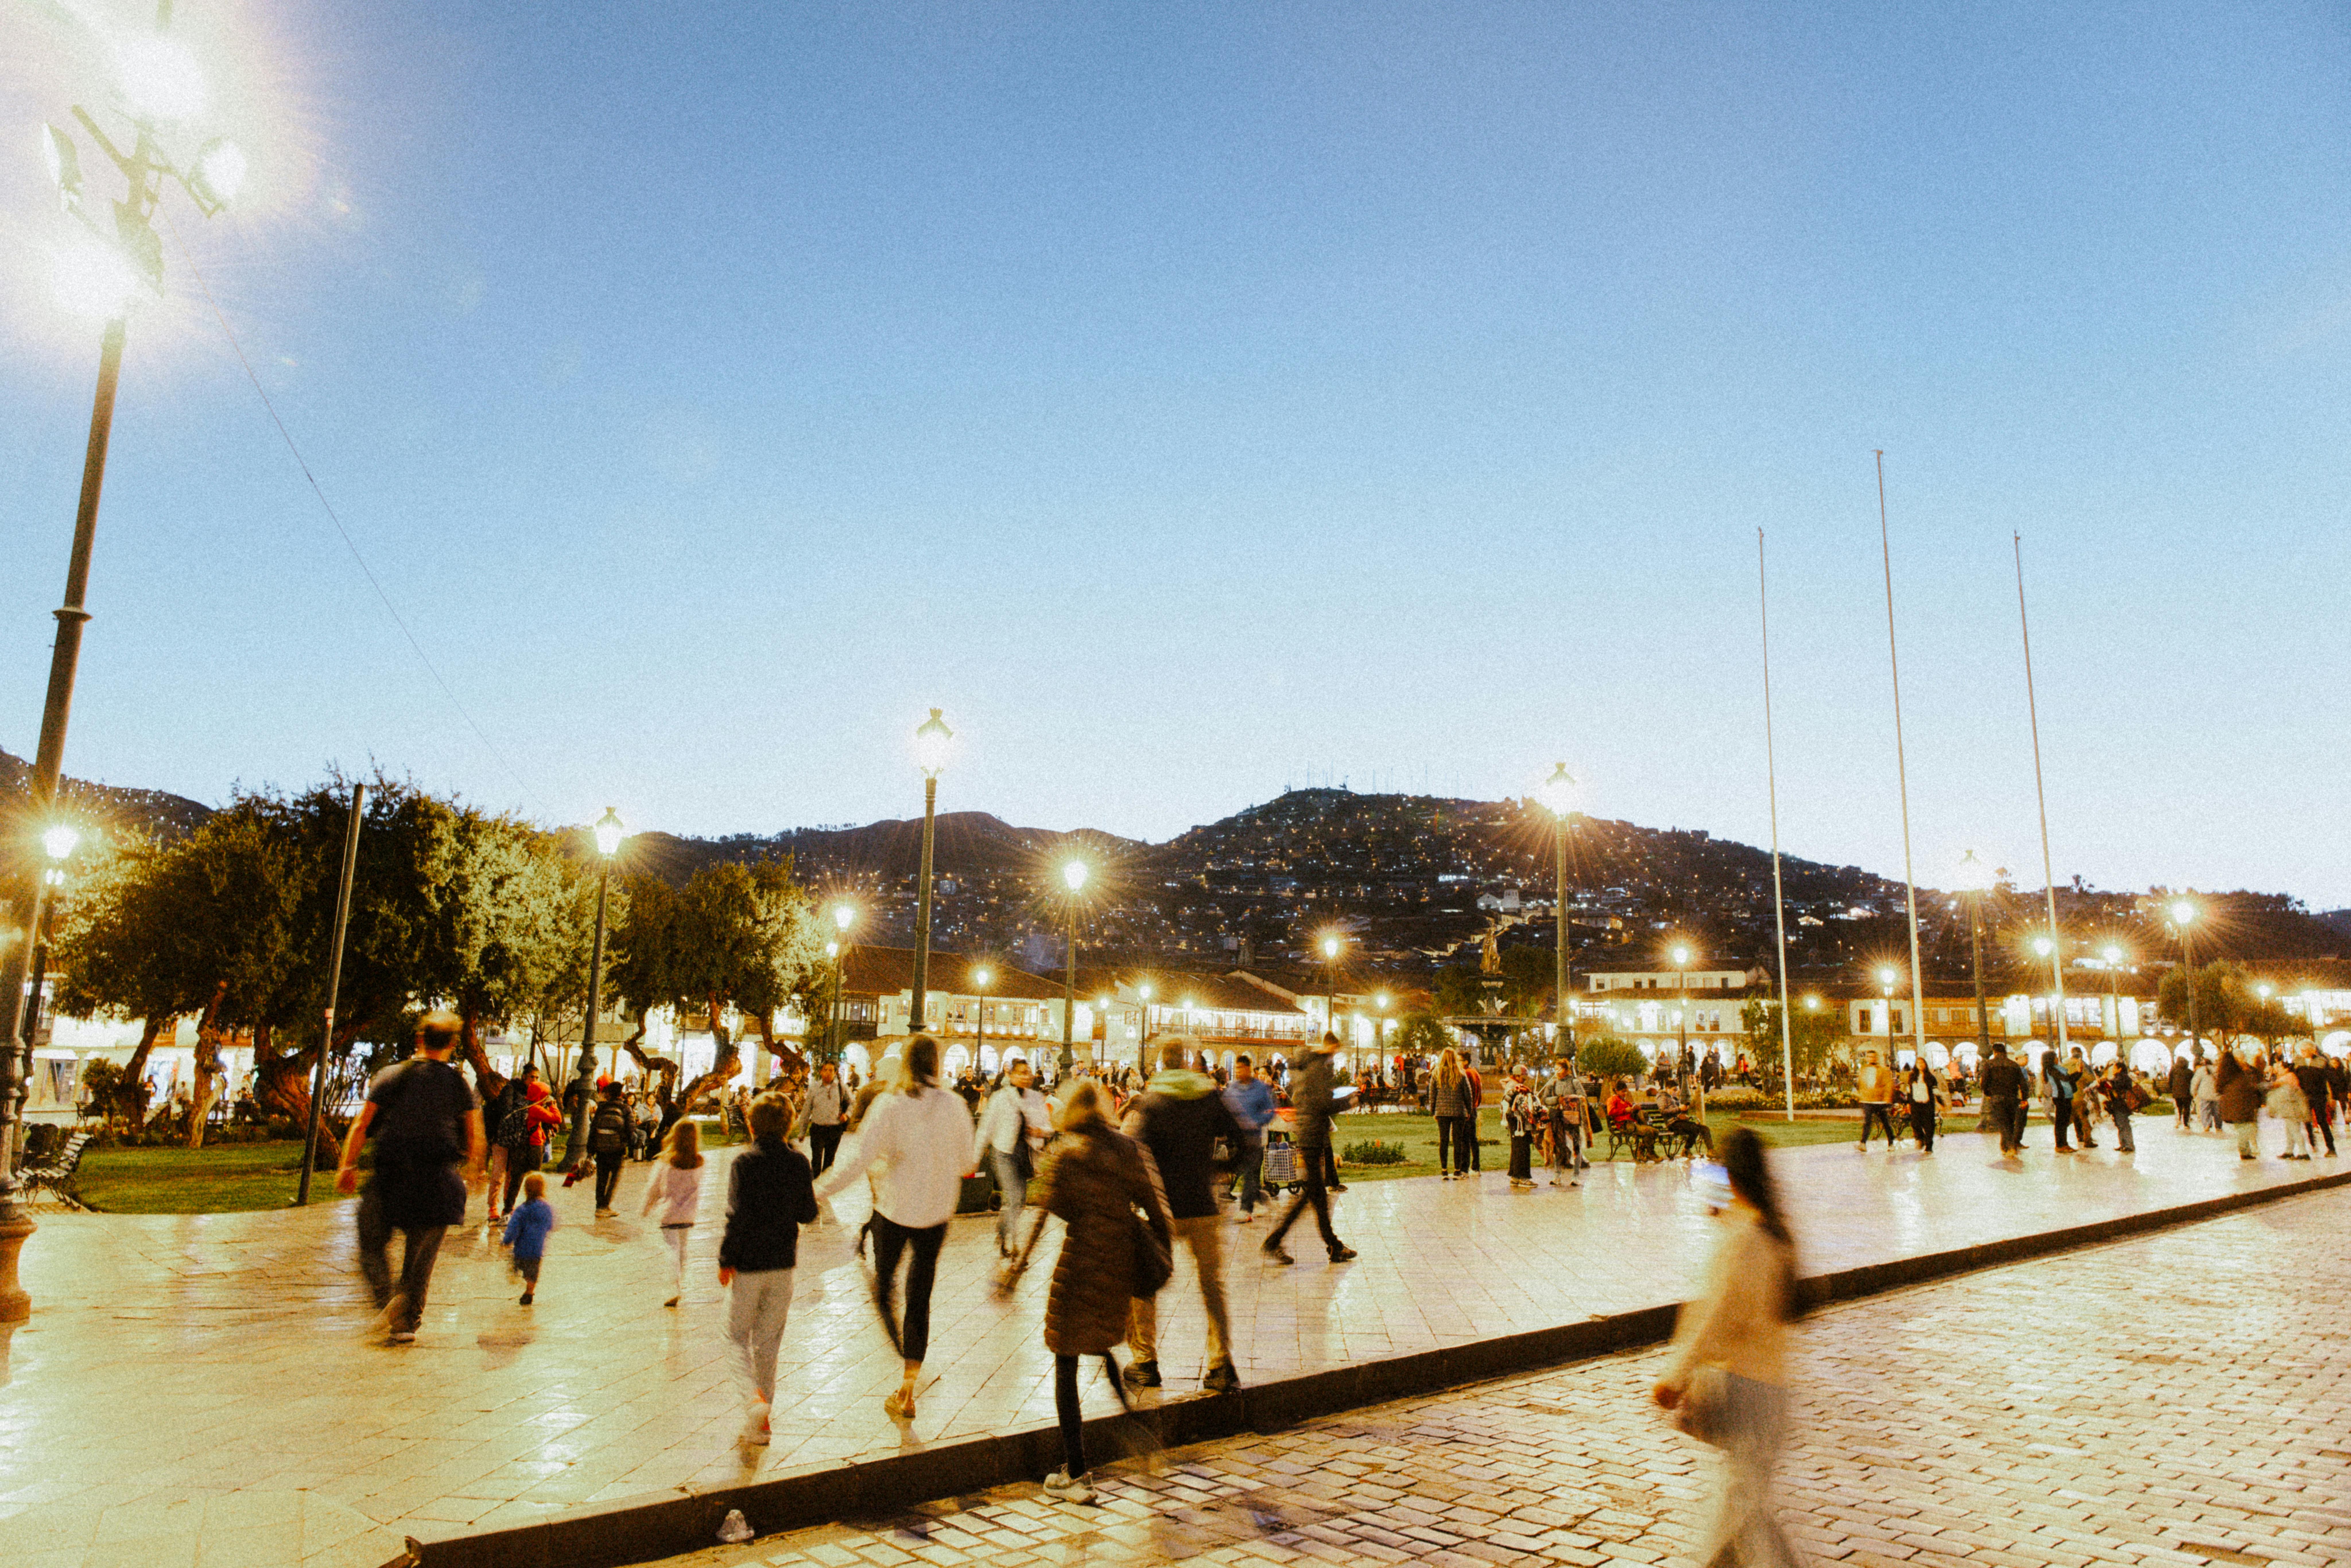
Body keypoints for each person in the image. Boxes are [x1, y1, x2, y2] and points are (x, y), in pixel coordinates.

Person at [1002, 1078, 1169, 1505]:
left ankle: (1076, 1473)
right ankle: (1131, 1422)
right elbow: (1155, 1206)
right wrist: (1161, 1257)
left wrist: (1016, 1272)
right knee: (1100, 1342)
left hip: (1079, 1265)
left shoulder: (1067, 1152)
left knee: (1066, 1361)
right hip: (1117, 1264)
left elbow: (1041, 1219)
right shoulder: (1129, 1149)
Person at [1650, 1128, 1808, 1568]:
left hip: (1743, 1391)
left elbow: (1718, 1317)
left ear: (1731, 1175)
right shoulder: (1775, 1235)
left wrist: (1675, 1377)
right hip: (1771, 1391)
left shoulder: (1746, 1242)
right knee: (1744, 1511)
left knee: (1737, 1519)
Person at [815, 1034, 979, 1421]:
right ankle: (909, 1385)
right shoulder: (955, 1106)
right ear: (937, 1063)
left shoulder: (889, 1105)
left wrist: (819, 1191)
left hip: (894, 1212)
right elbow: (968, 1163)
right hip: (936, 1215)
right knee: (919, 1296)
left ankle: (903, 1353)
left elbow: (858, 1160)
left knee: (884, 1286)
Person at [336, 1011, 484, 1345]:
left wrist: (348, 1165)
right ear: (451, 1044)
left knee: (371, 1243)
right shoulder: (458, 1083)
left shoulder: (390, 1076)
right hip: (437, 1180)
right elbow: (473, 1130)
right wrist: (476, 1168)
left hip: (390, 1174)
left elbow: (362, 1124)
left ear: (419, 1039)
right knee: (420, 1259)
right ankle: (405, 1322)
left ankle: (386, 1298)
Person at [1122, 1038, 1244, 1393]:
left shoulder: (1152, 1101)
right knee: (1212, 1286)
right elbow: (1246, 1142)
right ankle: (1221, 1365)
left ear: (1161, 1064)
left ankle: (1145, 1361)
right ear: (1190, 1062)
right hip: (1202, 1206)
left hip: (1161, 1208)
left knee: (1143, 1279)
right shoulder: (1210, 1098)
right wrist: (1219, 1168)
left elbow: (1134, 1153)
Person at [719, 1092, 820, 1446]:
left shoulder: (744, 1163)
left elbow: (737, 1215)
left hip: (748, 1264)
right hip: (783, 1263)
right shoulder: (799, 1163)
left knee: (735, 1337)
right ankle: (763, 1422)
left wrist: (725, 1259)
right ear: (789, 1123)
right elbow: (808, 1214)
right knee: (768, 1343)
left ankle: (751, 1400)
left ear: (751, 1125)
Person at [1262, 1033, 1355, 1266]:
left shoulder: (1304, 1066)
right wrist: (1349, 1102)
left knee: (1315, 1195)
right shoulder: (1320, 1068)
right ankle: (1275, 1242)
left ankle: (1333, 1246)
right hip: (1314, 1133)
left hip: (1308, 1130)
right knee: (1312, 1196)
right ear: (1333, 1046)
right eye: (1336, 1049)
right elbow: (1322, 1103)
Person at [978, 1056, 1052, 1257]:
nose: (1026, 1077)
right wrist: (975, 1157)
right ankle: (1012, 1242)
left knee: (1020, 1202)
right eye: (1021, 1073)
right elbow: (985, 1128)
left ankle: (1003, 1232)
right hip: (1003, 1153)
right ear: (1011, 1076)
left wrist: (1040, 1131)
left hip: (1024, 1155)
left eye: (1028, 1073)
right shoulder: (1001, 1098)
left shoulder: (1036, 1099)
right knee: (1014, 1197)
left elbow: (1049, 1127)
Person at [640, 1118, 706, 1307]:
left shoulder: (666, 1162)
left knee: (671, 1248)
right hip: (688, 1214)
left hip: (669, 1213)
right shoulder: (700, 1162)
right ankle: (679, 1283)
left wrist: (646, 1208)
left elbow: (654, 1188)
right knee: (683, 1249)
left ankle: (673, 1287)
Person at [494, 1068, 563, 1218]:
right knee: (535, 1178)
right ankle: (534, 1208)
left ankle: (508, 1209)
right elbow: (557, 1119)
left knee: (516, 1178)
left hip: (519, 1146)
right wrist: (553, 1104)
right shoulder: (535, 1109)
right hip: (533, 1146)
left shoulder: (521, 1105)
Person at [1222, 1055, 1277, 1221]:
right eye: (1236, 1068)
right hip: (1236, 1140)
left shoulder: (1260, 1089)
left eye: (1241, 1068)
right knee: (1245, 1172)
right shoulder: (1232, 1090)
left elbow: (1270, 1111)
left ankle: (1246, 1210)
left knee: (1251, 1173)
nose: (1238, 1071)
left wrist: (1257, 1122)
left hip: (1254, 1139)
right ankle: (1261, 1197)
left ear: (1248, 1068)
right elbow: (1225, 1111)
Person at [501, 1171, 556, 1305]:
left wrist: (507, 1241)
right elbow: (550, 1225)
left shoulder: (522, 1209)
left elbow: (514, 1227)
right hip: (537, 1250)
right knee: (533, 1274)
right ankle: (529, 1292)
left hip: (521, 1249)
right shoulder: (547, 1209)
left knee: (520, 1264)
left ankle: (515, 1270)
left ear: (526, 1190)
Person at [1430, 1047, 1476, 1179]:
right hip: (1459, 1112)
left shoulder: (1437, 1073)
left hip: (1442, 1112)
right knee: (1458, 1141)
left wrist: (1434, 1110)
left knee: (1444, 1140)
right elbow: (1468, 1094)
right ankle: (1457, 1171)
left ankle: (1444, 1170)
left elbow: (1432, 1094)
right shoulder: (1461, 1073)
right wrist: (1469, 1110)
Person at [587, 1081, 632, 1216]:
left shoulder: (601, 1108)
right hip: (617, 1150)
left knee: (602, 1178)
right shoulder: (626, 1109)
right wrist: (629, 1145)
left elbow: (593, 1128)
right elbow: (631, 1130)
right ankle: (605, 1206)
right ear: (621, 1094)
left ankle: (599, 1207)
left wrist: (591, 1149)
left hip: (601, 1149)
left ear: (608, 1094)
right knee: (614, 1178)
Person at [1543, 1057, 1587, 1186]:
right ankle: (1557, 1175)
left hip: (1573, 1119)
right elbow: (1545, 1099)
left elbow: (1583, 1097)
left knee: (1576, 1146)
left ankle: (1576, 1176)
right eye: (1555, 1069)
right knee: (1558, 1146)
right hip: (1557, 1119)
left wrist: (1571, 1099)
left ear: (1567, 1070)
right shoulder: (1553, 1083)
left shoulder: (1575, 1082)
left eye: (1560, 1069)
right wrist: (1557, 1100)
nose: (1557, 1072)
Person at [1979, 1043, 2026, 1157]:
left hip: (1997, 1098)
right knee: (2009, 1123)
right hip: (2012, 1098)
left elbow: (1984, 1083)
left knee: (2003, 1123)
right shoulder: (2014, 1065)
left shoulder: (1989, 1064)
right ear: (2005, 1052)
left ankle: (2011, 1147)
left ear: (1994, 1052)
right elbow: (2023, 1083)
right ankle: (2005, 1146)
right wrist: (2025, 1098)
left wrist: (1989, 1094)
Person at [2216, 1045, 2262, 1160]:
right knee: (2245, 1129)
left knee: (2243, 1128)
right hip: (2242, 1107)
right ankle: (2246, 1152)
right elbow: (2252, 1087)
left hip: (2235, 1106)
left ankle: (2247, 1151)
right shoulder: (2240, 1075)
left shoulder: (2226, 1075)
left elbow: (2219, 1089)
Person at [805, 1061, 848, 1177]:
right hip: (818, 1129)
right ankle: (814, 1189)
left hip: (835, 1131)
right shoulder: (814, 1088)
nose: (828, 1073)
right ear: (821, 1072)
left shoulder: (841, 1087)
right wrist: (802, 1131)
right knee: (816, 1161)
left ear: (835, 1073)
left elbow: (852, 1103)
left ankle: (823, 1190)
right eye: (825, 1070)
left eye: (831, 1071)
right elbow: (807, 1109)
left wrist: (847, 1115)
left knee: (829, 1163)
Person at [2292, 1046, 2336, 1158]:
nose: (2303, 1052)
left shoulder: (2321, 1061)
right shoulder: (2298, 1061)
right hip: (2305, 1096)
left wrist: (2331, 1097)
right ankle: (2312, 1143)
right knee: (2307, 1121)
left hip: (2319, 1095)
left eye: (2305, 1050)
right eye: (2302, 1050)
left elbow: (2330, 1079)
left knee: (2322, 1121)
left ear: (2312, 1050)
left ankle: (2331, 1147)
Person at [2268, 1055, 2313, 1160]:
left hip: (2292, 1109)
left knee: (2295, 1131)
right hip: (2289, 1109)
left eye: (2279, 1068)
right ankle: (2289, 1151)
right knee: (2290, 1131)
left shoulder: (2288, 1077)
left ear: (2286, 1069)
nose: (2277, 1070)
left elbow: (2273, 1086)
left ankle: (2303, 1152)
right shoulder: (2288, 1076)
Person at [1855, 1049, 1898, 1151]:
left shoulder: (1883, 1070)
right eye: (1869, 1057)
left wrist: (1887, 1098)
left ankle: (1891, 1143)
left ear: (1877, 1058)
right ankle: (1863, 1143)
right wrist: (1861, 1097)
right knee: (1868, 1122)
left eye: (1873, 1057)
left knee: (1885, 1122)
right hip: (1867, 1100)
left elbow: (1889, 1085)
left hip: (1880, 1101)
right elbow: (1861, 1084)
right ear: (1867, 1058)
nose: (1871, 1059)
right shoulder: (1864, 1070)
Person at [1504, 1066, 1539, 1187]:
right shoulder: (1515, 1087)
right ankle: (1524, 1178)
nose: (1525, 1080)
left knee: (1517, 1149)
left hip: (1515, 1123)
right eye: (1523, 1078)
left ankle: (1515, 1177)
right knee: (1523, 1150)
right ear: (1518, 1076)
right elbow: (1521, 1106)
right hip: (1519, 1123)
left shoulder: (1510, 1085)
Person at [1904, 1058, 1942, 1154]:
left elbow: (1935, 1090)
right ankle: (1921, 1138)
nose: (1920, 1065)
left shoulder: (1930, 1077)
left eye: (1922, 1063)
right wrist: (1908, 1103)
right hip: (1916, 1104)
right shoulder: (1912, 1077)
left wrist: (1941, 1102)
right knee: (1915, 1124)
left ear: (1926, 1064)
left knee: (1929, 1125)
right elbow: (1909, 1091)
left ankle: (1929, 1146)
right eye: (1918, 1063)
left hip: (1927, 1104)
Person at [2100, 1060, 2138, 1154]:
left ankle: (2129, 1145)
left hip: (2122, 1105)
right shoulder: (2119, 1077)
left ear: (2120, 1069)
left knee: (2124, 1125)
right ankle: (2123, 1145)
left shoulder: (2123, 1078)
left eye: (2114, 1068)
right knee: (2120, 1125)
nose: (2113, 1070)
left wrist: (2106, 1082)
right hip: (2118, 1105)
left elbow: (2115, 1086)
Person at [2045, 1048, 2077, 1152]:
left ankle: (2064, 1144)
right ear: (2051, 1059)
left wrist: (2079, 1073)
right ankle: (2060, 1145)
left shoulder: (2057, 1069)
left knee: (2065, 1122)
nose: (2057, 1059)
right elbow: (2066, 1079)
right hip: (2060, 1097)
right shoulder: (2052, 1070)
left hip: (2066, 1097)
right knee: (2061, 1122)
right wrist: (2078, 1072)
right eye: (2055, 1057)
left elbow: (2069, 1079)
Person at [2192, 1053, 2220, 1133]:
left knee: (2205, 1110)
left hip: (2204, 1094)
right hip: (2216, 1094)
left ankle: (2207, 1125)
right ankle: (2219, 1127)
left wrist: (2193, 1092)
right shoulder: (2217, 1070)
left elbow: (2195, 1083)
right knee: (2217, 1111)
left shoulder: (2201, 1071)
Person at [2167, 1052, 2195, 1131]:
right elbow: (2193, 1082)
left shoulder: (2174, 1071)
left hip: (2177, 1093)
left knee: (2179, 1107)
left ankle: (2179, 1120)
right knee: (2187, 1108)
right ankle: (2186, 1124)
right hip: (2187, 1093)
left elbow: (2170, 1081)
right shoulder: (2190, 1072)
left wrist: (2171, 1090)